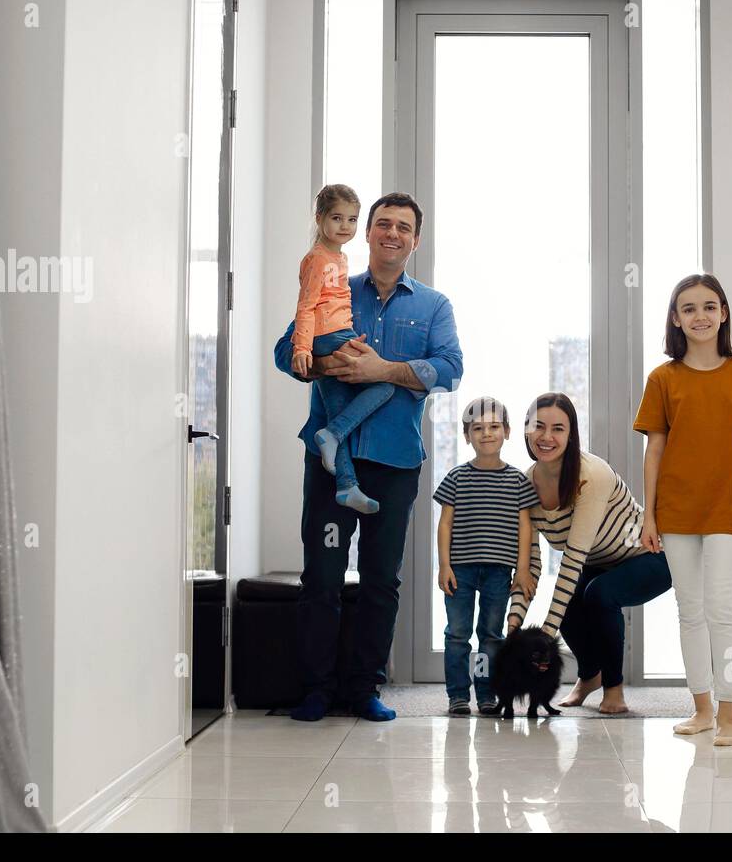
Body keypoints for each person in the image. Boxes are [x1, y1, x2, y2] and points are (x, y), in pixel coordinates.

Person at [273, 192, 463, 722]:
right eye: (382, 224)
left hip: (396, 462)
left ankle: (362, 689)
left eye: (403, 227)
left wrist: (386, 371)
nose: (392, 234)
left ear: (415, 239)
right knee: (323, 578)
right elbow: (285, 350)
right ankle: (317, 690)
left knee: (382, 580)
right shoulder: (333, 282)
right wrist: (319, 363)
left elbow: (449, 369)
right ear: (367, 231)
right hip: (330, 460)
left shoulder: (433, 306)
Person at [634, 272, 732, 747]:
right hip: (675, 511)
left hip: (729, 509)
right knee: (689, 611)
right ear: (676, 318)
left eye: (709, 306)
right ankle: (701, 710)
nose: (700, 316)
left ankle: (730, 715)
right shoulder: (662, 378)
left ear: (724, 313)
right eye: (689, 308)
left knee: (721, 609)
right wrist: (649, 516)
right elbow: (654, 450)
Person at [505, 392, 672, 715]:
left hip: (650, 557)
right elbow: (529, 569)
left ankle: (614, 689)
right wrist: (512, 635)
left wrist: (543, 644)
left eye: (558, 429)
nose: (547, 437)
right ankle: (589, 677)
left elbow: (572, 561)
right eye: (539, 427)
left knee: (597, 594)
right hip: (599, 563)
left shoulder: (591, 475)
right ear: (526, 431)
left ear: (571, 435)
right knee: (571, 604)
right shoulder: (526, 484)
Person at [289, 183, 394, 514]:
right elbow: (306, 306)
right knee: (386, 384)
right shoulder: (317, 260)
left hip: (339, 333)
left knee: (338, 409)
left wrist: (349, 338)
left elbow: (334, 303)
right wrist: (303, 349)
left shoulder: (339, 256)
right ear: (320, 218)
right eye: (337, 218)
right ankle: (333, 433)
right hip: (326, 336)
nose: (345, 227)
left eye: (351, 220)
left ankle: (347, 485)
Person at [434, 397, 539, 717]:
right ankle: (457, 695)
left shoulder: (518, 481)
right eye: (477, 428)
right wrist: (444, 566)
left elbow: (525, 528)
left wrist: (522, 570)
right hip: (460, 571)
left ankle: (486, 693)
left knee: (491, 635)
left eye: (494, 426)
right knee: (457, 634)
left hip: (498, 572)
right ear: (466, 435)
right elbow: (445, 523)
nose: (486, 433)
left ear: (507, 432)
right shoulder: (456, 477)